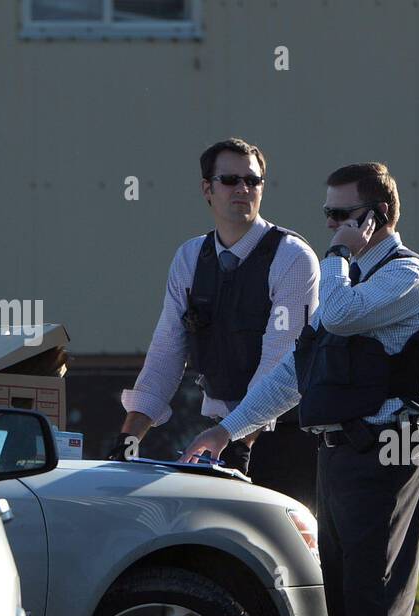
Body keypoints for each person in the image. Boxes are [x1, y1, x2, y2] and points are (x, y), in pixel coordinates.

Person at [182, 162, 419, 616]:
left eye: (342, 215)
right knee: (343, 595)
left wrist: (335, 255)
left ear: (377, 216)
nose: (330, 226)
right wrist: (225, 429)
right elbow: (296, 374)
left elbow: (337, 316)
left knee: (374, 593)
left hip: (386, 451)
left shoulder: (406, 278)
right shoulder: (351, 281)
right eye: (326, 214)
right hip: (340, 453)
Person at [106, 137, 319, 476]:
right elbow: (166, 354)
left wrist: (236, 440)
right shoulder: (190, 258)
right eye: (230, 180)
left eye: (253, 180)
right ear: (207, 188)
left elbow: (281, 365)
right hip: (222, 435)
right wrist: (126, 443)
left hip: (285, 434)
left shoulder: (292, 258)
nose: (243, 189)